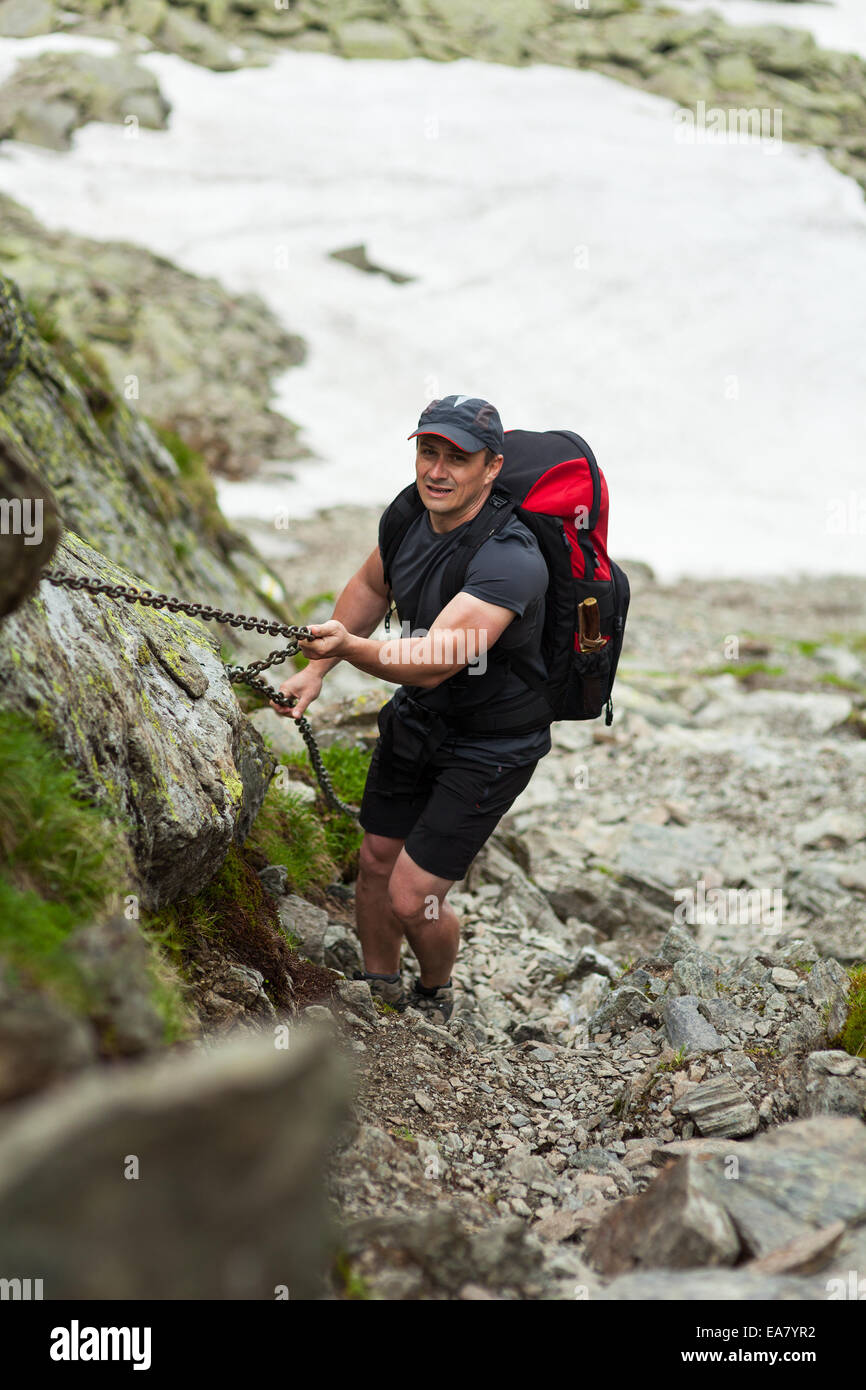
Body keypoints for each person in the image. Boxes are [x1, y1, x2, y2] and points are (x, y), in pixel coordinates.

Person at [271, 395, 552, 1024]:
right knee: (374, 860)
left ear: (490, 467)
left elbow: (435, 658)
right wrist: (317, 668)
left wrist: (348, 649)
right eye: (429, 451)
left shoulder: (510, 557)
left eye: (458, 458)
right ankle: (378, 988)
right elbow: (373, 587)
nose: (438, 470)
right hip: (420, 717)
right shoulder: (408, 514)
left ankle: (433, 991)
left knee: (411, 894)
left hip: (492, 743)